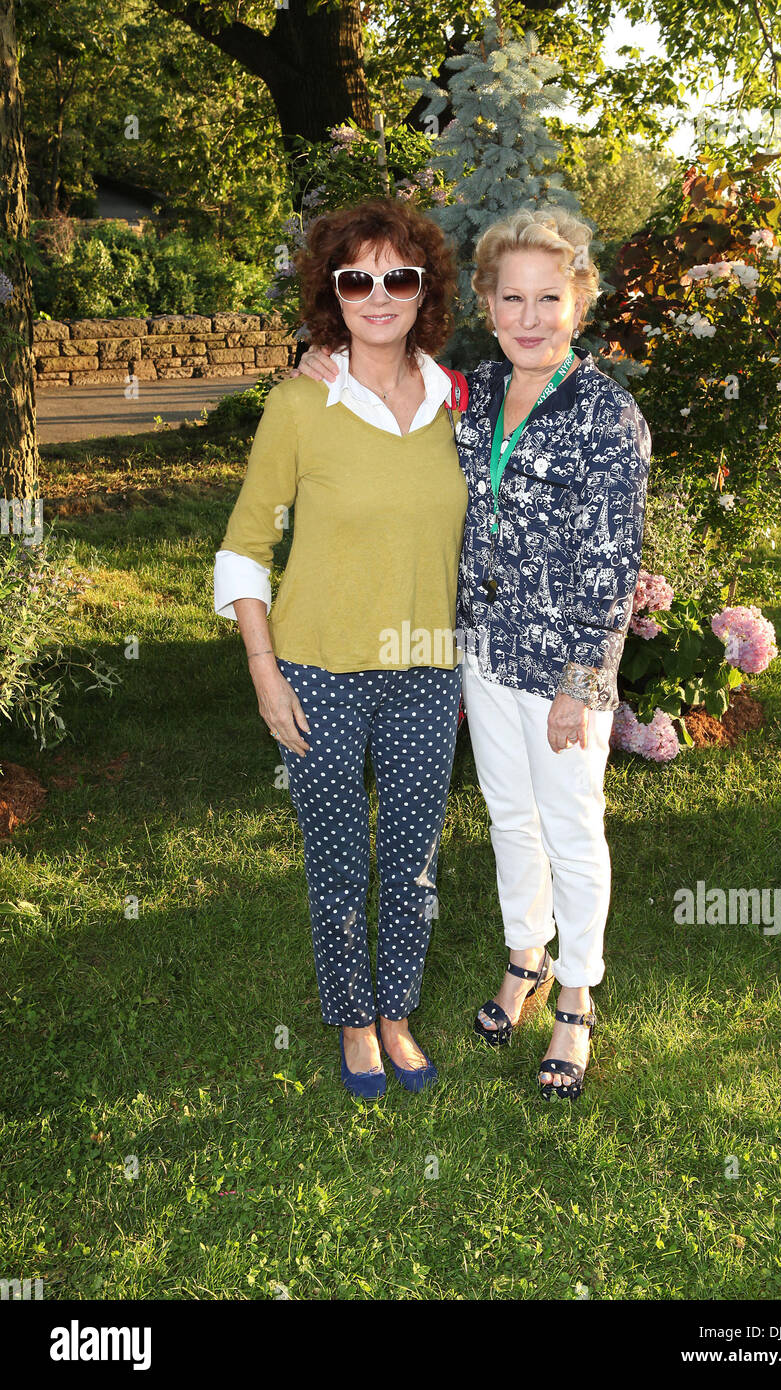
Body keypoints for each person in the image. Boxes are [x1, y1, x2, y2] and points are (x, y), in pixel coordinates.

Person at [297, 205, 651, 1101]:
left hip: (564, 671)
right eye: (511, 298)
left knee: (572, 828)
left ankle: (576, 996)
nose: (530, 317)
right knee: (507, 818)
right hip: (482, 659)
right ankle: (523, 959)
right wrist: (323, 359)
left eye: (549, 298)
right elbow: (385, 381)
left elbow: (612, 566)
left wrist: (580, 687)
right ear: (488, 306)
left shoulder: (608, 413)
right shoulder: (473, 391)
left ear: (579, 304)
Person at [213, 197, 468, 1097]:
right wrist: (262, 672)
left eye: (398, 276)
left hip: (428, 676)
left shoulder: (455, 401)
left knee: (410, 861)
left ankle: (395, 1009)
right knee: (337, 862)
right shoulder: (299, 402)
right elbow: (246, 544)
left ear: (424, 288)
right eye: (356, 277)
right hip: (315, 670)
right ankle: (352, 1019)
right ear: (333, 292)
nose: (377, 295)